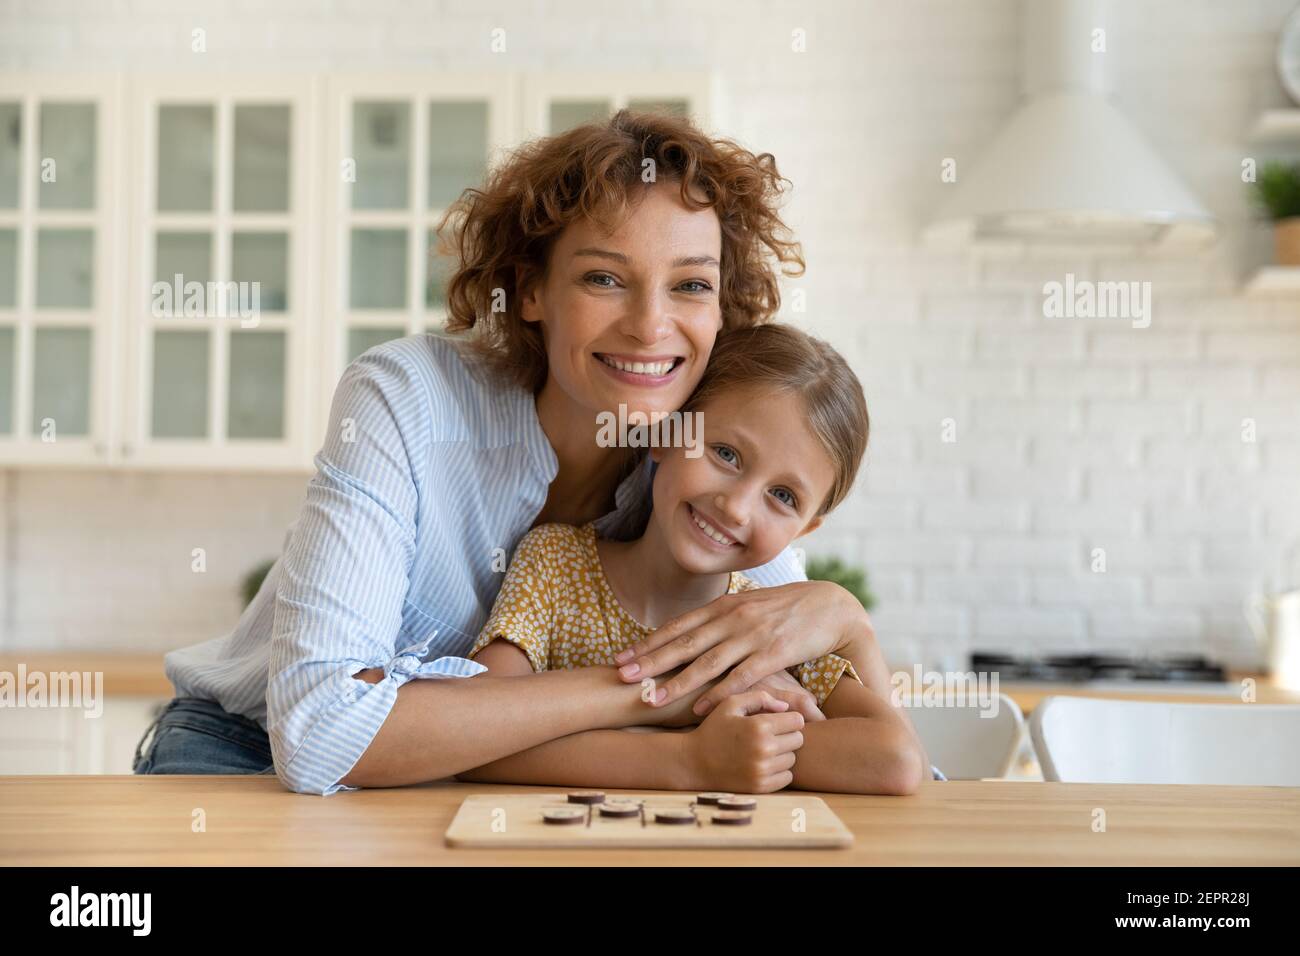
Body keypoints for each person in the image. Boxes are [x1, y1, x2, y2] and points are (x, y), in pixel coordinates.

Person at [135, 109, 886, 795]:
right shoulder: (406, 400)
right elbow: (321, 734)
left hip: (454, 787)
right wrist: (658, 695)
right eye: (603, 277)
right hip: (242, 759)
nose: (652, 326)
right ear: (530, 291)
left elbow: (872, 742)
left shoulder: (710, 454)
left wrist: (842, 614)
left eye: (690, 285)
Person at [459, 324, 930, 795]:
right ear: (666, 433)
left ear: (803, 530)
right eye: (726, 454)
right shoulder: (556, 564)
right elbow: (476, 730)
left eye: (783, 496)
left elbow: (896, 762)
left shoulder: (774, 629)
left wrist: (742, 749)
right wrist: (690, 753)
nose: (737, 507)